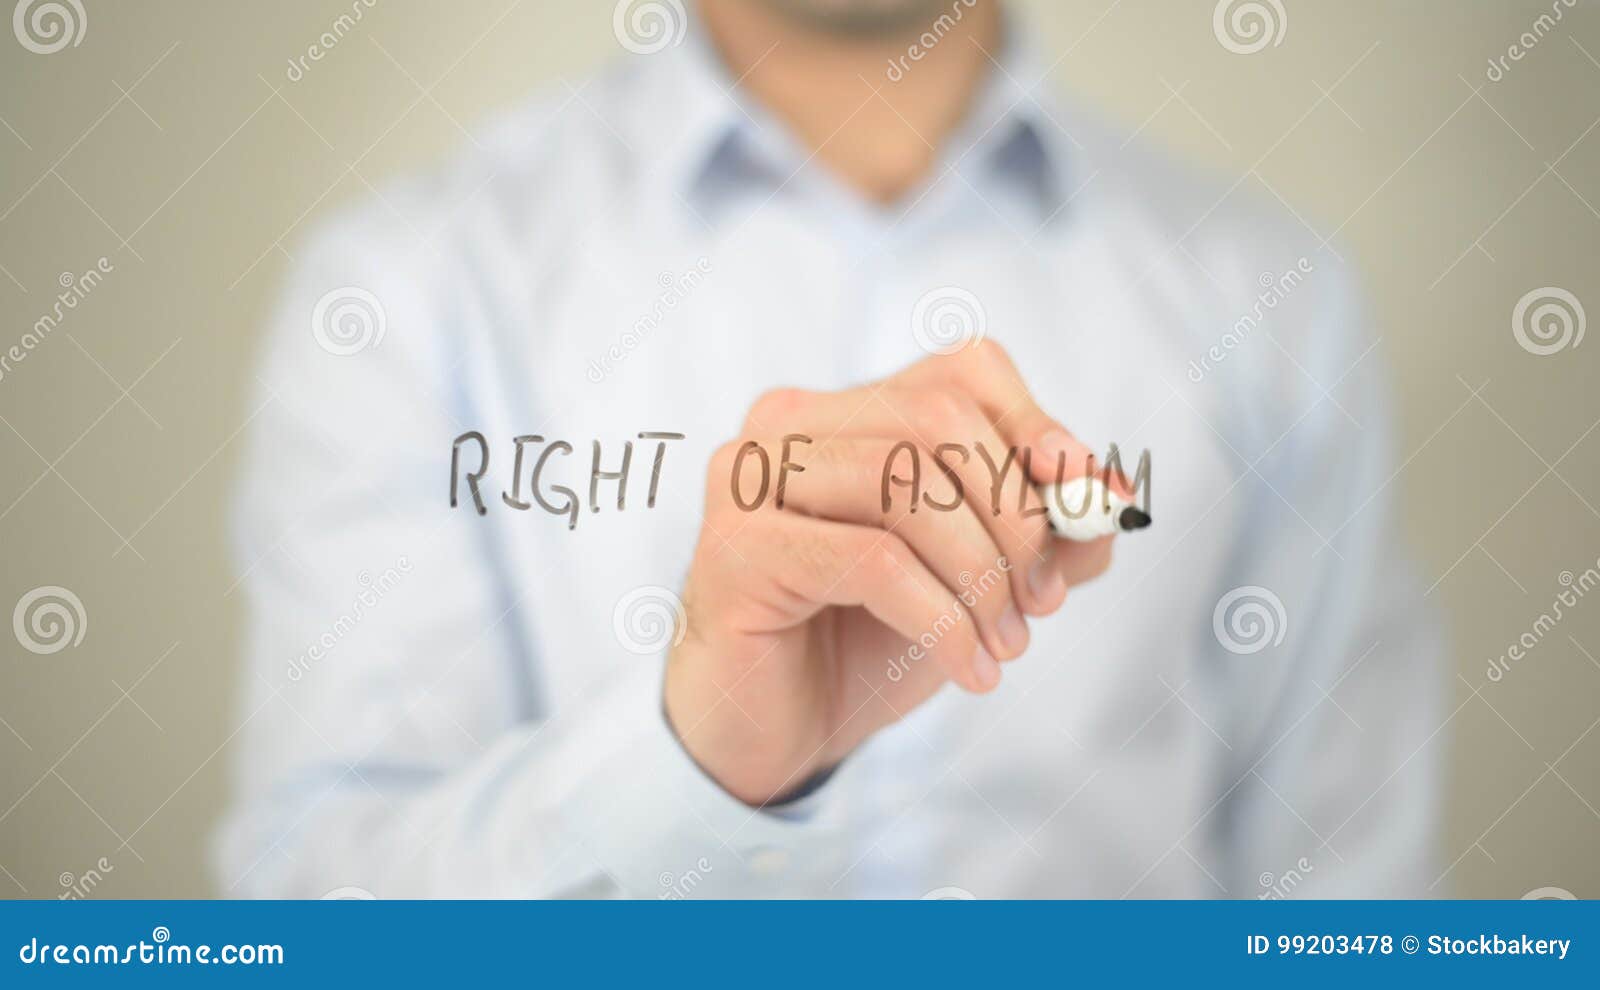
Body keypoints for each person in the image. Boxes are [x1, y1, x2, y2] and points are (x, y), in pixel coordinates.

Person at [215, 0, 1444, 898]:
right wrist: (692, 760)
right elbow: (321, 914)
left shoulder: (1276, 301)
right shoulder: (405, 291)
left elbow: (1345, 900)